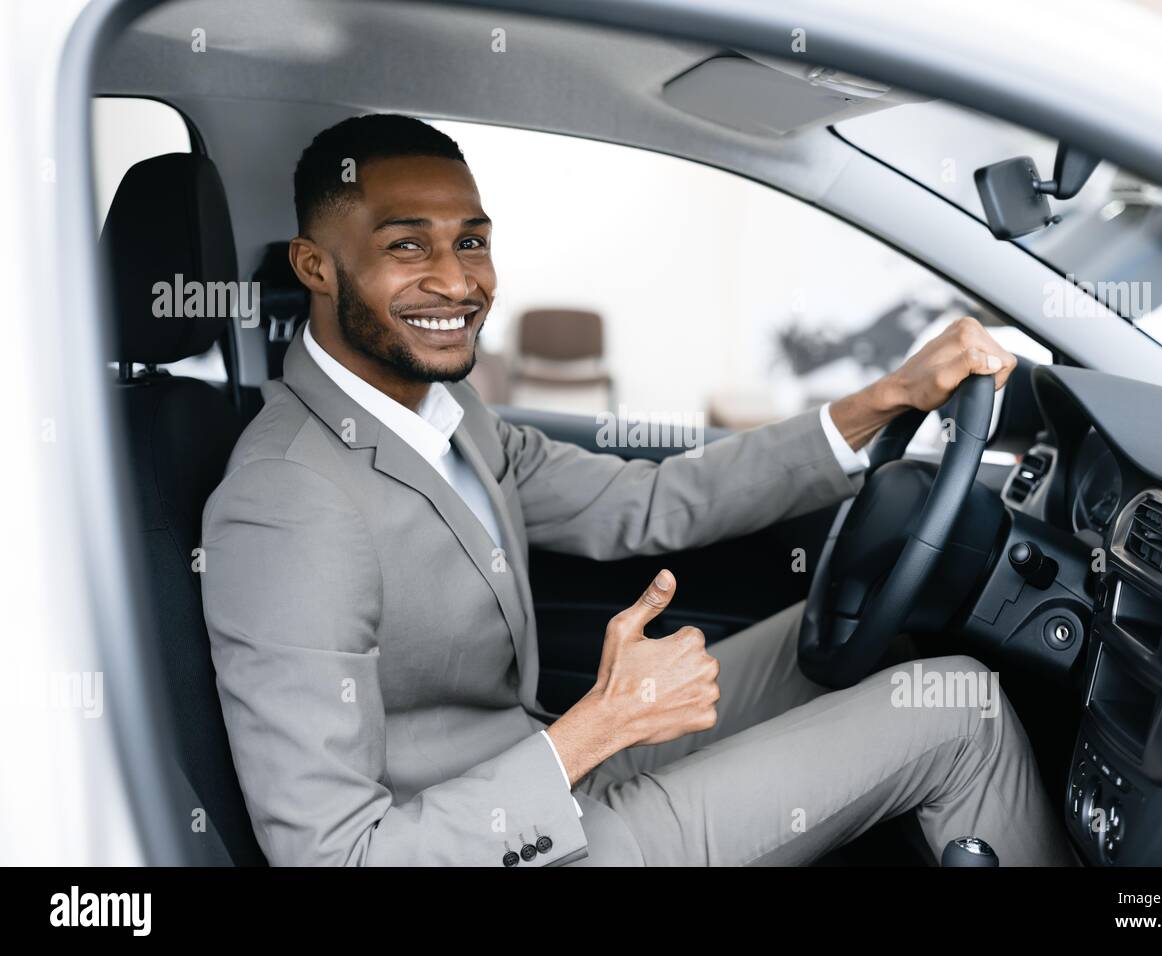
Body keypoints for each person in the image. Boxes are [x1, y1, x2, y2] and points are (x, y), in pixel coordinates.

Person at [199, 113, 1076, 866]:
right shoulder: (287, 500)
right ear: (316, 267)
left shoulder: (447, 411)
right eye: (406, 246)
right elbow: (333, 856)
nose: (457, 281)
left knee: (861, 643)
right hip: (511, 841)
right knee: (964, 711)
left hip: (540, 770)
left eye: (470, 240)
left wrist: (882, 401)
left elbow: (648, 502)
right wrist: (600, 727)